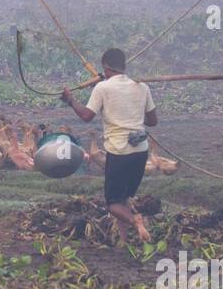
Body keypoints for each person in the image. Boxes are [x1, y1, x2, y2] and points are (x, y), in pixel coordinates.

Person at [61, 47, 158, 246]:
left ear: (105, 68)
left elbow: (87, 116)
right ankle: (123, 241)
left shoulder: (102, 88)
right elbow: (152, 121)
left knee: (113, 204)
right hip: (140, 151)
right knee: (124, 198)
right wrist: (131, 114)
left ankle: (135, 221)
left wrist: (71, 100)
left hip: (119, 152)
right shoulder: (141, 87)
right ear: (123, 66)